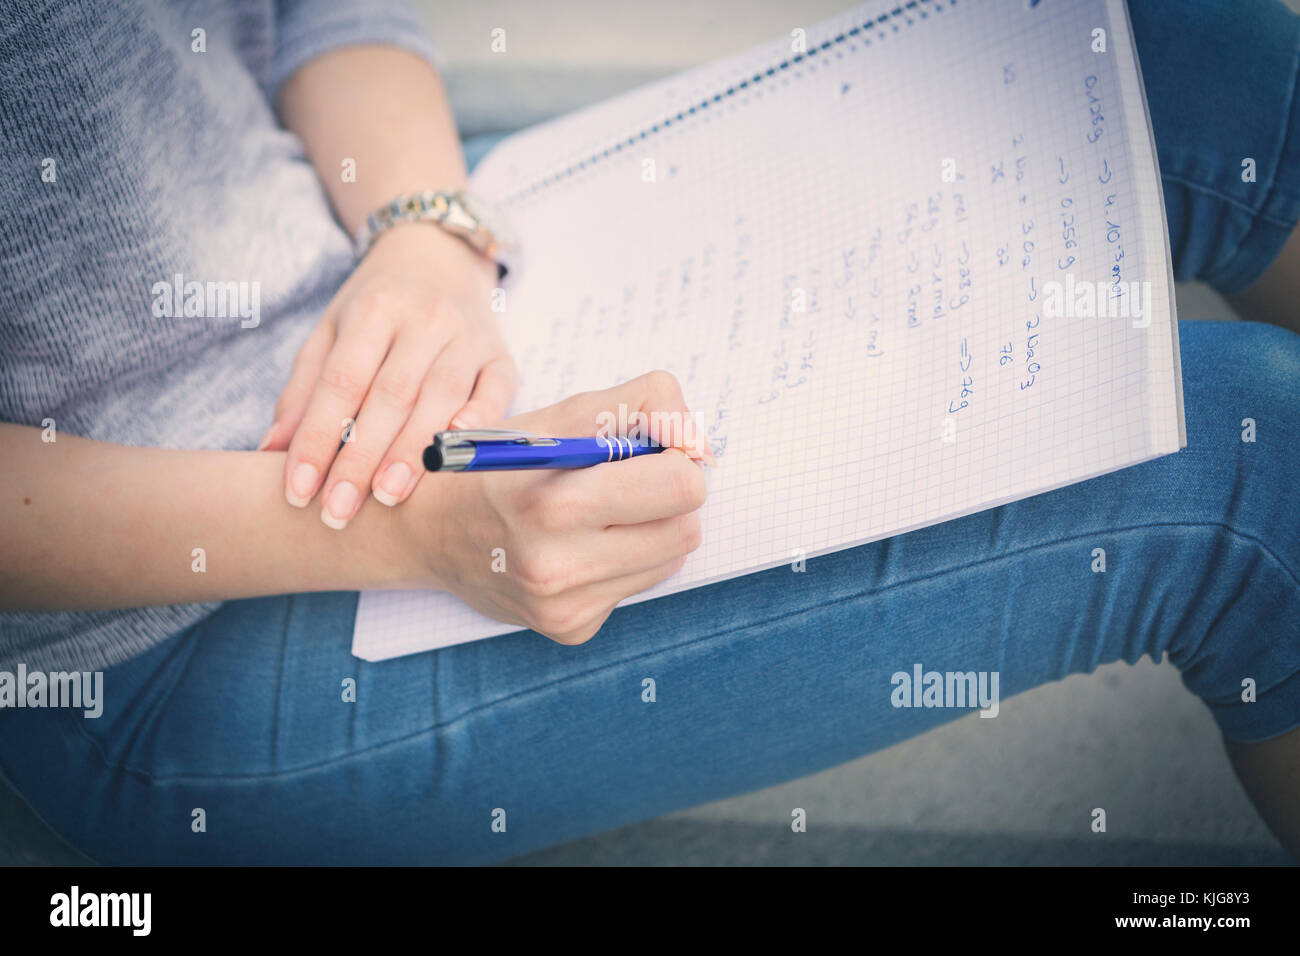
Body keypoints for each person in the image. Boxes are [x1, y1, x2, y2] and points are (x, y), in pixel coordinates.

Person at [1, 0, 1297, 865]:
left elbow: (321, 12)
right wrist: (423, 532)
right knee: (1248, 466)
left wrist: (422, 227)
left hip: (377, 254)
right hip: (170, 622)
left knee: (1200, 59)